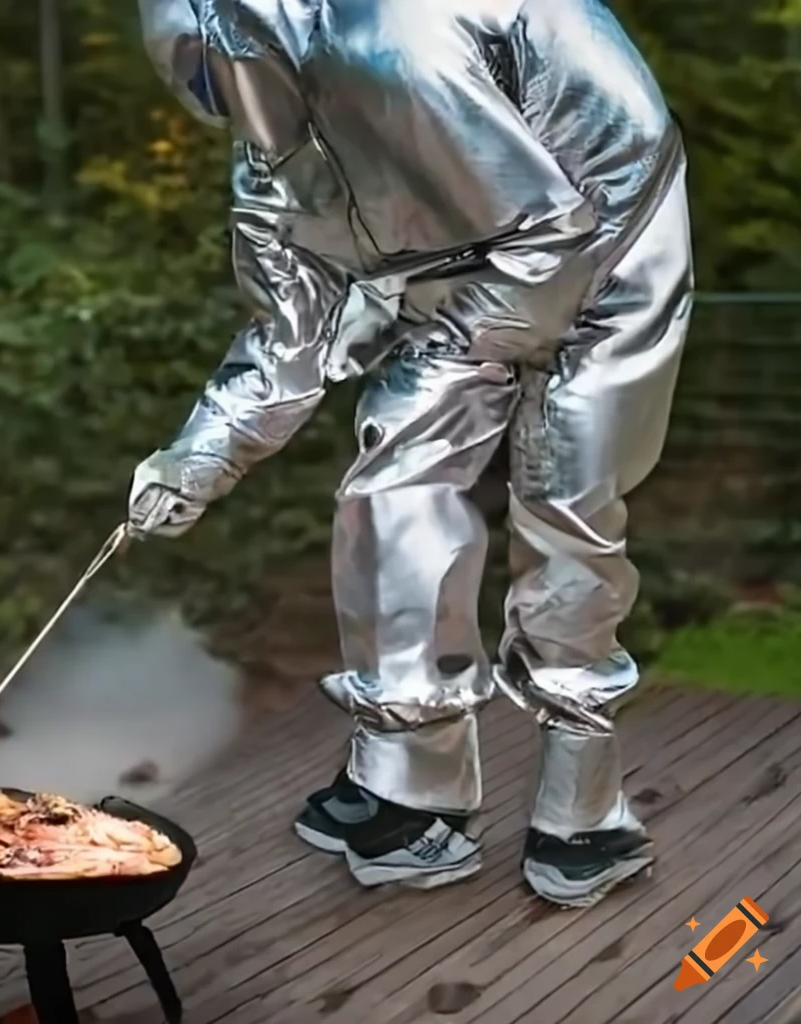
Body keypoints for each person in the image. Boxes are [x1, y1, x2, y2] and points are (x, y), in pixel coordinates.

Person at [132, 0, 693, 909]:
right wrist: (195, 460)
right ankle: (414, 789)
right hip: (465, 260)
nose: (220, 103)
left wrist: (438, 344)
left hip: (606, 227)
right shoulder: (272, 148)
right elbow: (287, 341)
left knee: (568, 494)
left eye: (218, 77)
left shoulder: (398, 43)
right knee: (391, 479)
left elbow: (552, 235)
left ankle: (585, 809)